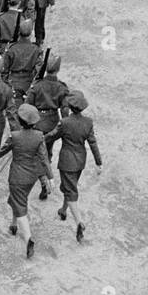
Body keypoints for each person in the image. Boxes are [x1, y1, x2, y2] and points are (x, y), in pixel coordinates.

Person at [0, 102, 53, 259]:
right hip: (32, 176)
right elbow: (44, 158)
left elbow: (2, 151)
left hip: (17, 176)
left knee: (20, 207)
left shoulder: (15, 136)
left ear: (20, 121)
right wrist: (50, 177)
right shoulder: (39, 136)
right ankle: (13, 224)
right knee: (19, 199)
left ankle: (28, 239)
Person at [52, 91, 102, 243]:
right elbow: (93, 143)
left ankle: (79, 222)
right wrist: (98, 162)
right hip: (80, 160)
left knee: (70, 190)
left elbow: (53, 135)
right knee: (70, 186)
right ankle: (63, 210)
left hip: (67, 161)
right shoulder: (88, 122)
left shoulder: (65, 122)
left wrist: (41, 137)